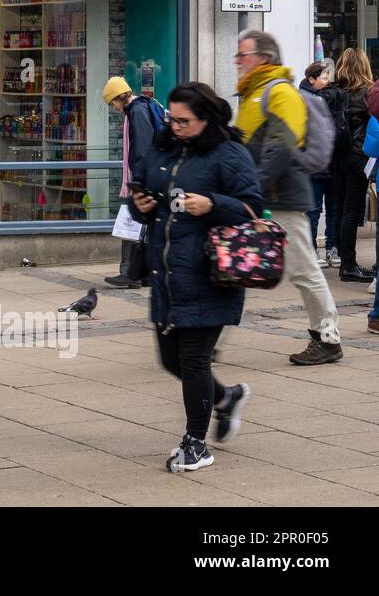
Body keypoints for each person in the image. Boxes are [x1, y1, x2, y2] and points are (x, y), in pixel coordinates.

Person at [129, 82, 260, 473]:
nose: (175, 126)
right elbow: (144, 197)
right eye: (171, 118)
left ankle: (195, 444)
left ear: (206, 119)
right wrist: (140, 205)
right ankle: (226, 398)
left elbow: (253, 210)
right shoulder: (165, 147)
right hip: (166, 274)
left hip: (209, 275)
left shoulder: (229, 154)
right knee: (171, 362)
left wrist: (213, 204)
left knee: (194, 360)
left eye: (184, 121)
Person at [234, 29, 342, 365]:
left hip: (282, 198)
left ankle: (328, 338)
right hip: (260, 196)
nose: (238, 61)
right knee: (235, 267)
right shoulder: (251, 94)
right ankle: (208, 337)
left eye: (243, 55)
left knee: (303, 270)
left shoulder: (278, 92)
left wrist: (252, 189)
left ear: (263, 58)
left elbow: (281, 147)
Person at [102, 76, 164, 289]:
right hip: (148, 175)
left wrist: (138, 179)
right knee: (143, 226)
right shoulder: (141, 107)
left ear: (119, 98)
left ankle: (129, 273)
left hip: (141, 177)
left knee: (130, 226)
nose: (114, 108)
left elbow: (142, 147)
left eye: (112, 103)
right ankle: (143, 273)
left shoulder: (137, 111)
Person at [331, 48, 374, 284]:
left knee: (339, 208)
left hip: (337, 155)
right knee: (351, 210)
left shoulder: (336, 91)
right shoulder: (367, 92)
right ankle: (348, 265)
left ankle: (343, 258)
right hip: (359, 155)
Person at [300, 59, 346, 268]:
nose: (328, 81)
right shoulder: (305, 99)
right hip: (316, 163)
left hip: (333, 160)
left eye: (329, 76)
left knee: (334, 207)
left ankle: (332, 247)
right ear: (312, 79)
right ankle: (311, 250)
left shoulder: (333, 96)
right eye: (324, 77)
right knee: (314, 208)